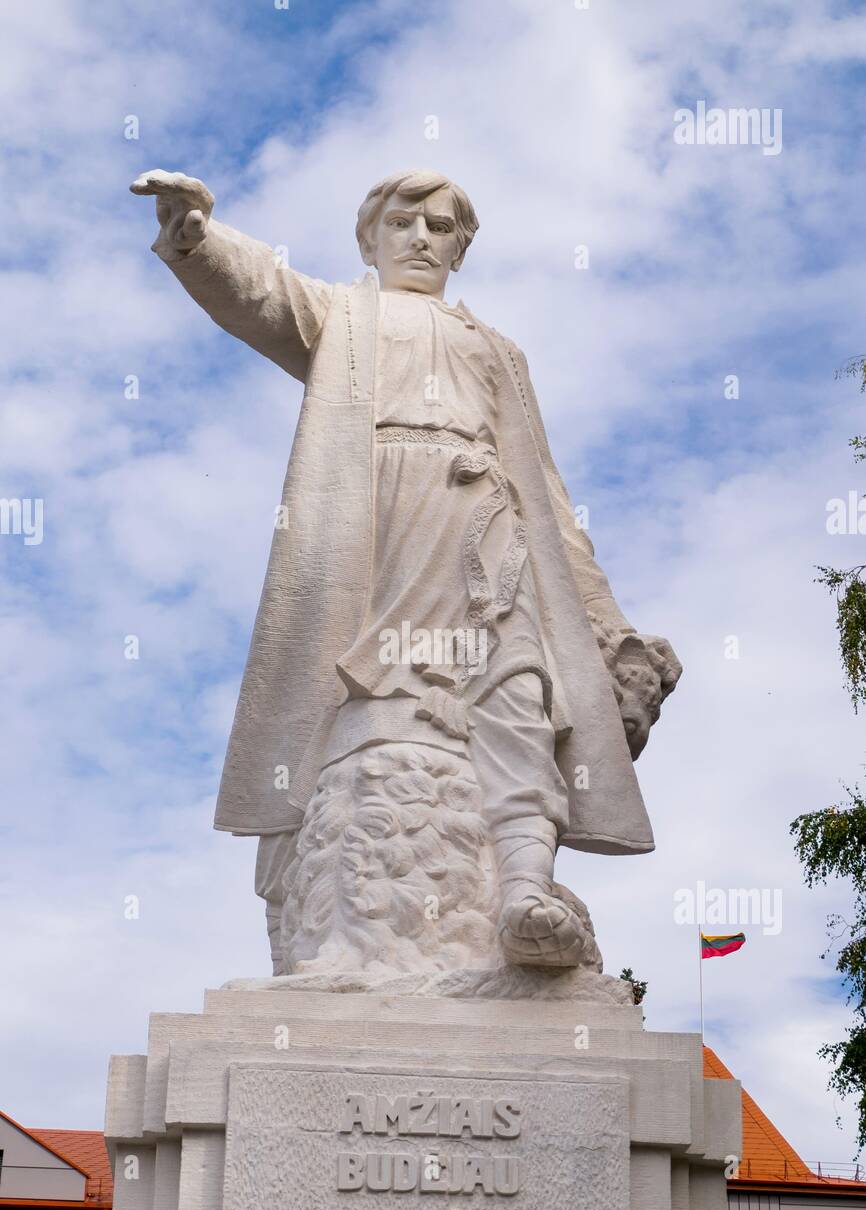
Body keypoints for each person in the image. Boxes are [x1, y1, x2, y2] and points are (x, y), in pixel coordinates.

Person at [131, 167, 681, 972]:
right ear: (371, 238)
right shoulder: (346, 313)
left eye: (440, 225)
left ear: (462, 246)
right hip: (376, 518)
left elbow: (552, 502)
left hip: (486, 519)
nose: (420, 237)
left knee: (518, 686)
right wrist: (196, 236)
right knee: (375, 694)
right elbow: (264, 295)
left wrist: (607, 625)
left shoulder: (497, 350)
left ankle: (525, 889)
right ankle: (348, 891)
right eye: (402, 223)